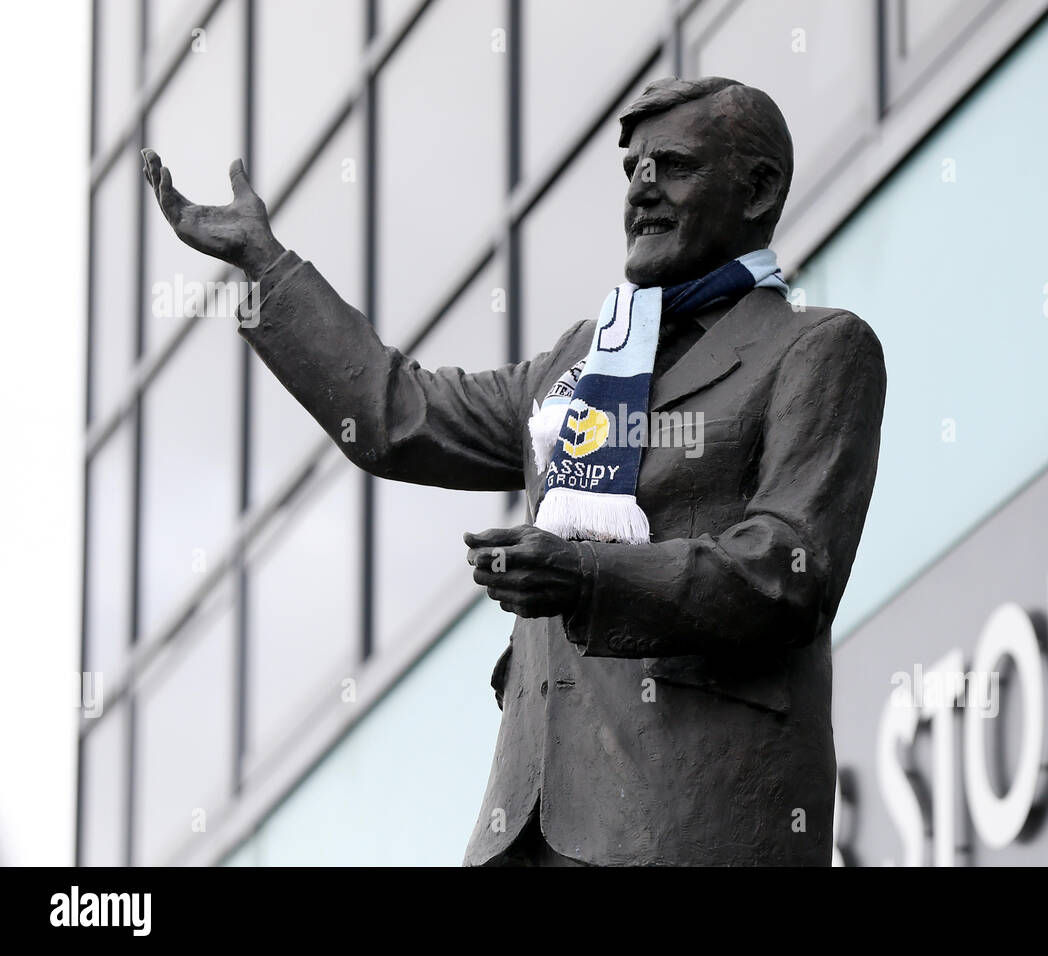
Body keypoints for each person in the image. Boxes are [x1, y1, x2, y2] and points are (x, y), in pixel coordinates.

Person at [142, 76, 886, 866]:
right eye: (631, 170)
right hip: (529, 827)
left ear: (759, 188)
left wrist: (589, 579)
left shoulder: (816, 348)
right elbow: (399, 418)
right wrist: (266, 267)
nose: (642, 190)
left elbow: (786, 571)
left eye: (672, 166)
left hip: (692, 820)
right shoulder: (580, 364)